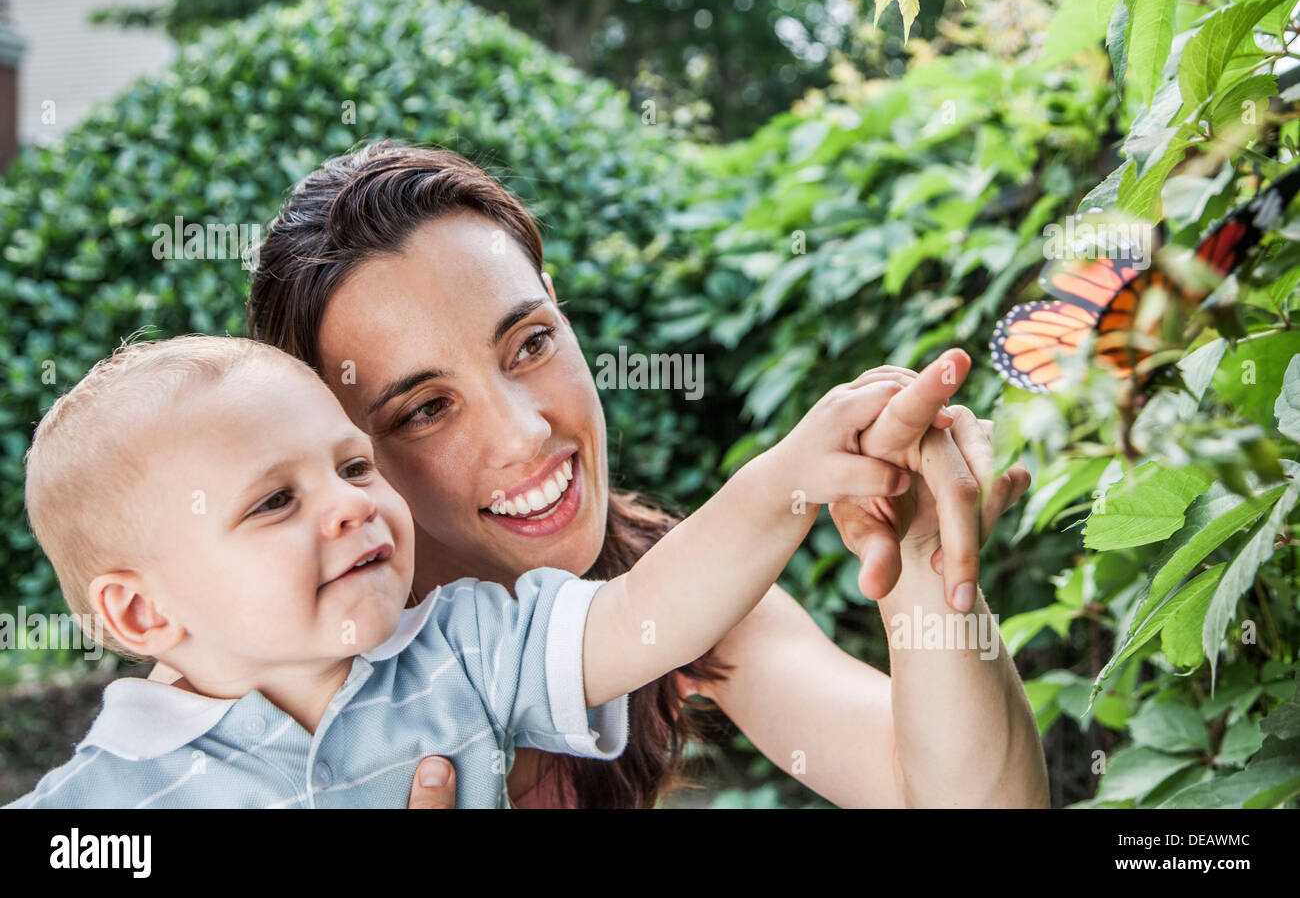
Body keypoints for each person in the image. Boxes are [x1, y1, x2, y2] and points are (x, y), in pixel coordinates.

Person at [241, 141, 1046, 808]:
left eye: (530, 343)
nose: (526, 437)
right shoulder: (269, 684)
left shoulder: (678, 588)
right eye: (424, 409)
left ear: (560, 309)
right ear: (335, 445)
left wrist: (923, 562)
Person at [9, 333, 935, 807]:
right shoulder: (108, 798)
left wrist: (790, 476)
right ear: (140, 616)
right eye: (274, 502)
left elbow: (653, 608)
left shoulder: (466, 654)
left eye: (353, 466)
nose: (349, 503)